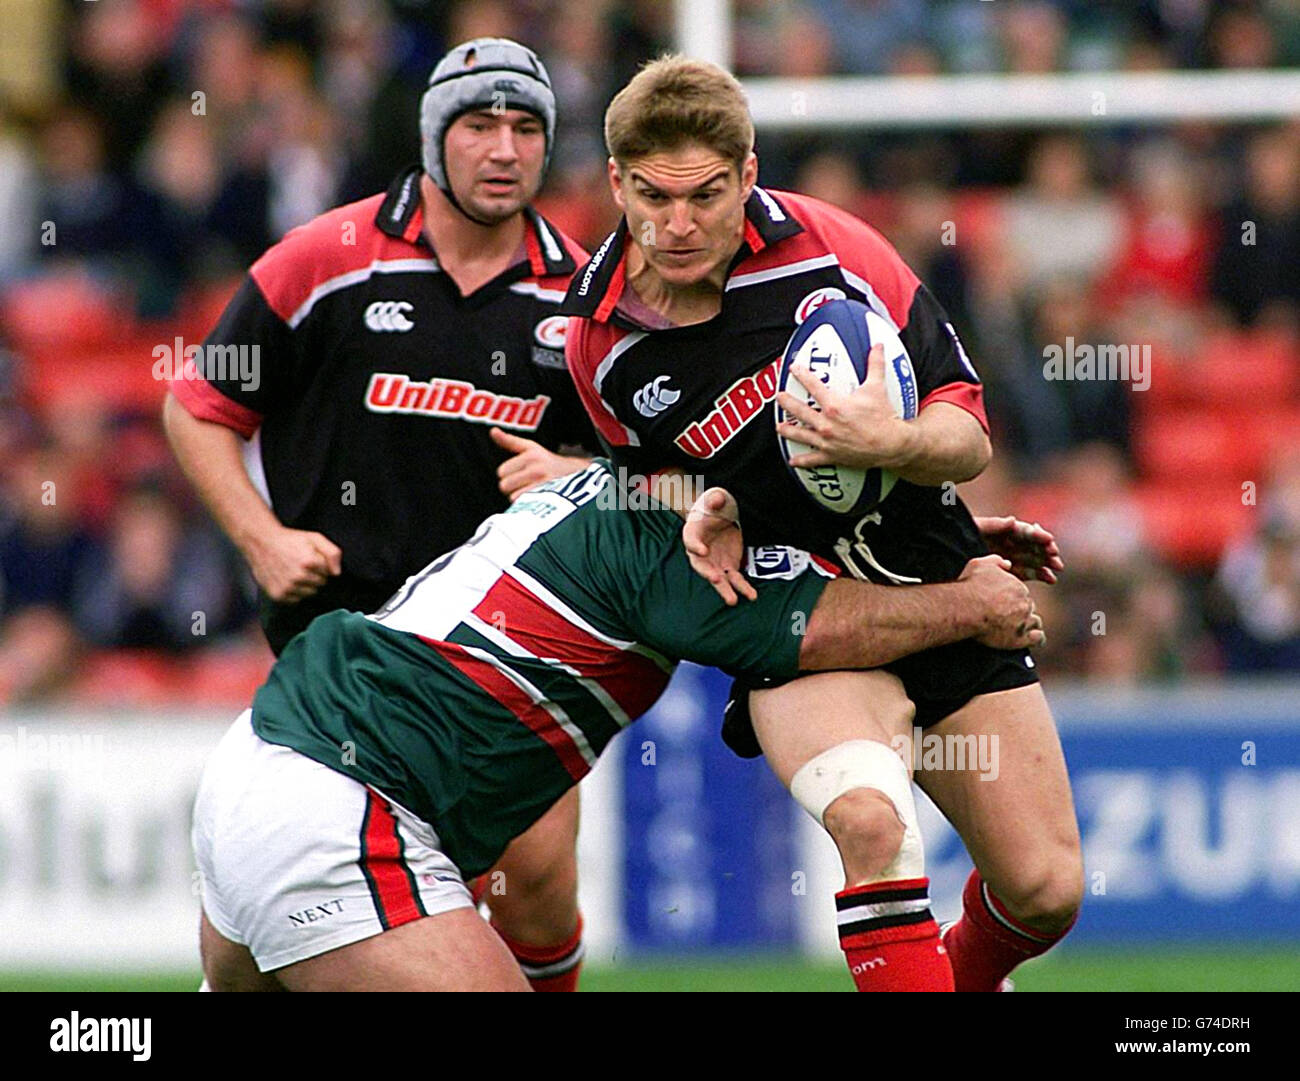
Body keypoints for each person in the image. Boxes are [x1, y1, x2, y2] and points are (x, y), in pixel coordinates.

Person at [560, 56, 1081, 992]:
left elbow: (966, 432)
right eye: (653, 197)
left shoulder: (835, 251)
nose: (679, 225)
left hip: (933, 567)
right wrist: (702, 507)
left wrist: (896, 442)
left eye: (707, 196)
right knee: (872, 826)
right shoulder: (599, 340)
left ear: (748, 174)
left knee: (1046, 890)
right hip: (795, 608)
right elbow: (654, 485)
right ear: (616, 183)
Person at [192, 460, 1045, 990]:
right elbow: (820, 627)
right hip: (340, 810)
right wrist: (968, 601)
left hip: (263, 758)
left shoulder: (604, 482)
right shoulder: (666, 552)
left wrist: (930, 545)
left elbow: (798, 541)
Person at [164, 39, 596, 990]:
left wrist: (571, 470)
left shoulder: (586, 294)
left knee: (534, 879)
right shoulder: (327, 261)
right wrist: (261, 537)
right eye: (479, 124)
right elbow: (196, 406)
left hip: (503, 650)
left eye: (527, 127)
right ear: (433, 136)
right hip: (338, 646)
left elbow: (638, 463)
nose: (504, 149)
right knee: (247, 950)